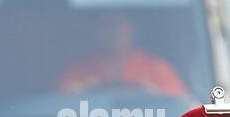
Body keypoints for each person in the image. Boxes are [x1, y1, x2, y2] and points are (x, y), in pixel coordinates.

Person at [58, 13, 187, 97]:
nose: (113, 32)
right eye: (106, 25)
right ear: (96, 32)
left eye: (118, 24)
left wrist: (152, 93)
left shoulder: (157, 69)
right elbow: (58, 109)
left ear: (132, 29)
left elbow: (181, 108)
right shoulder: (77, 72)